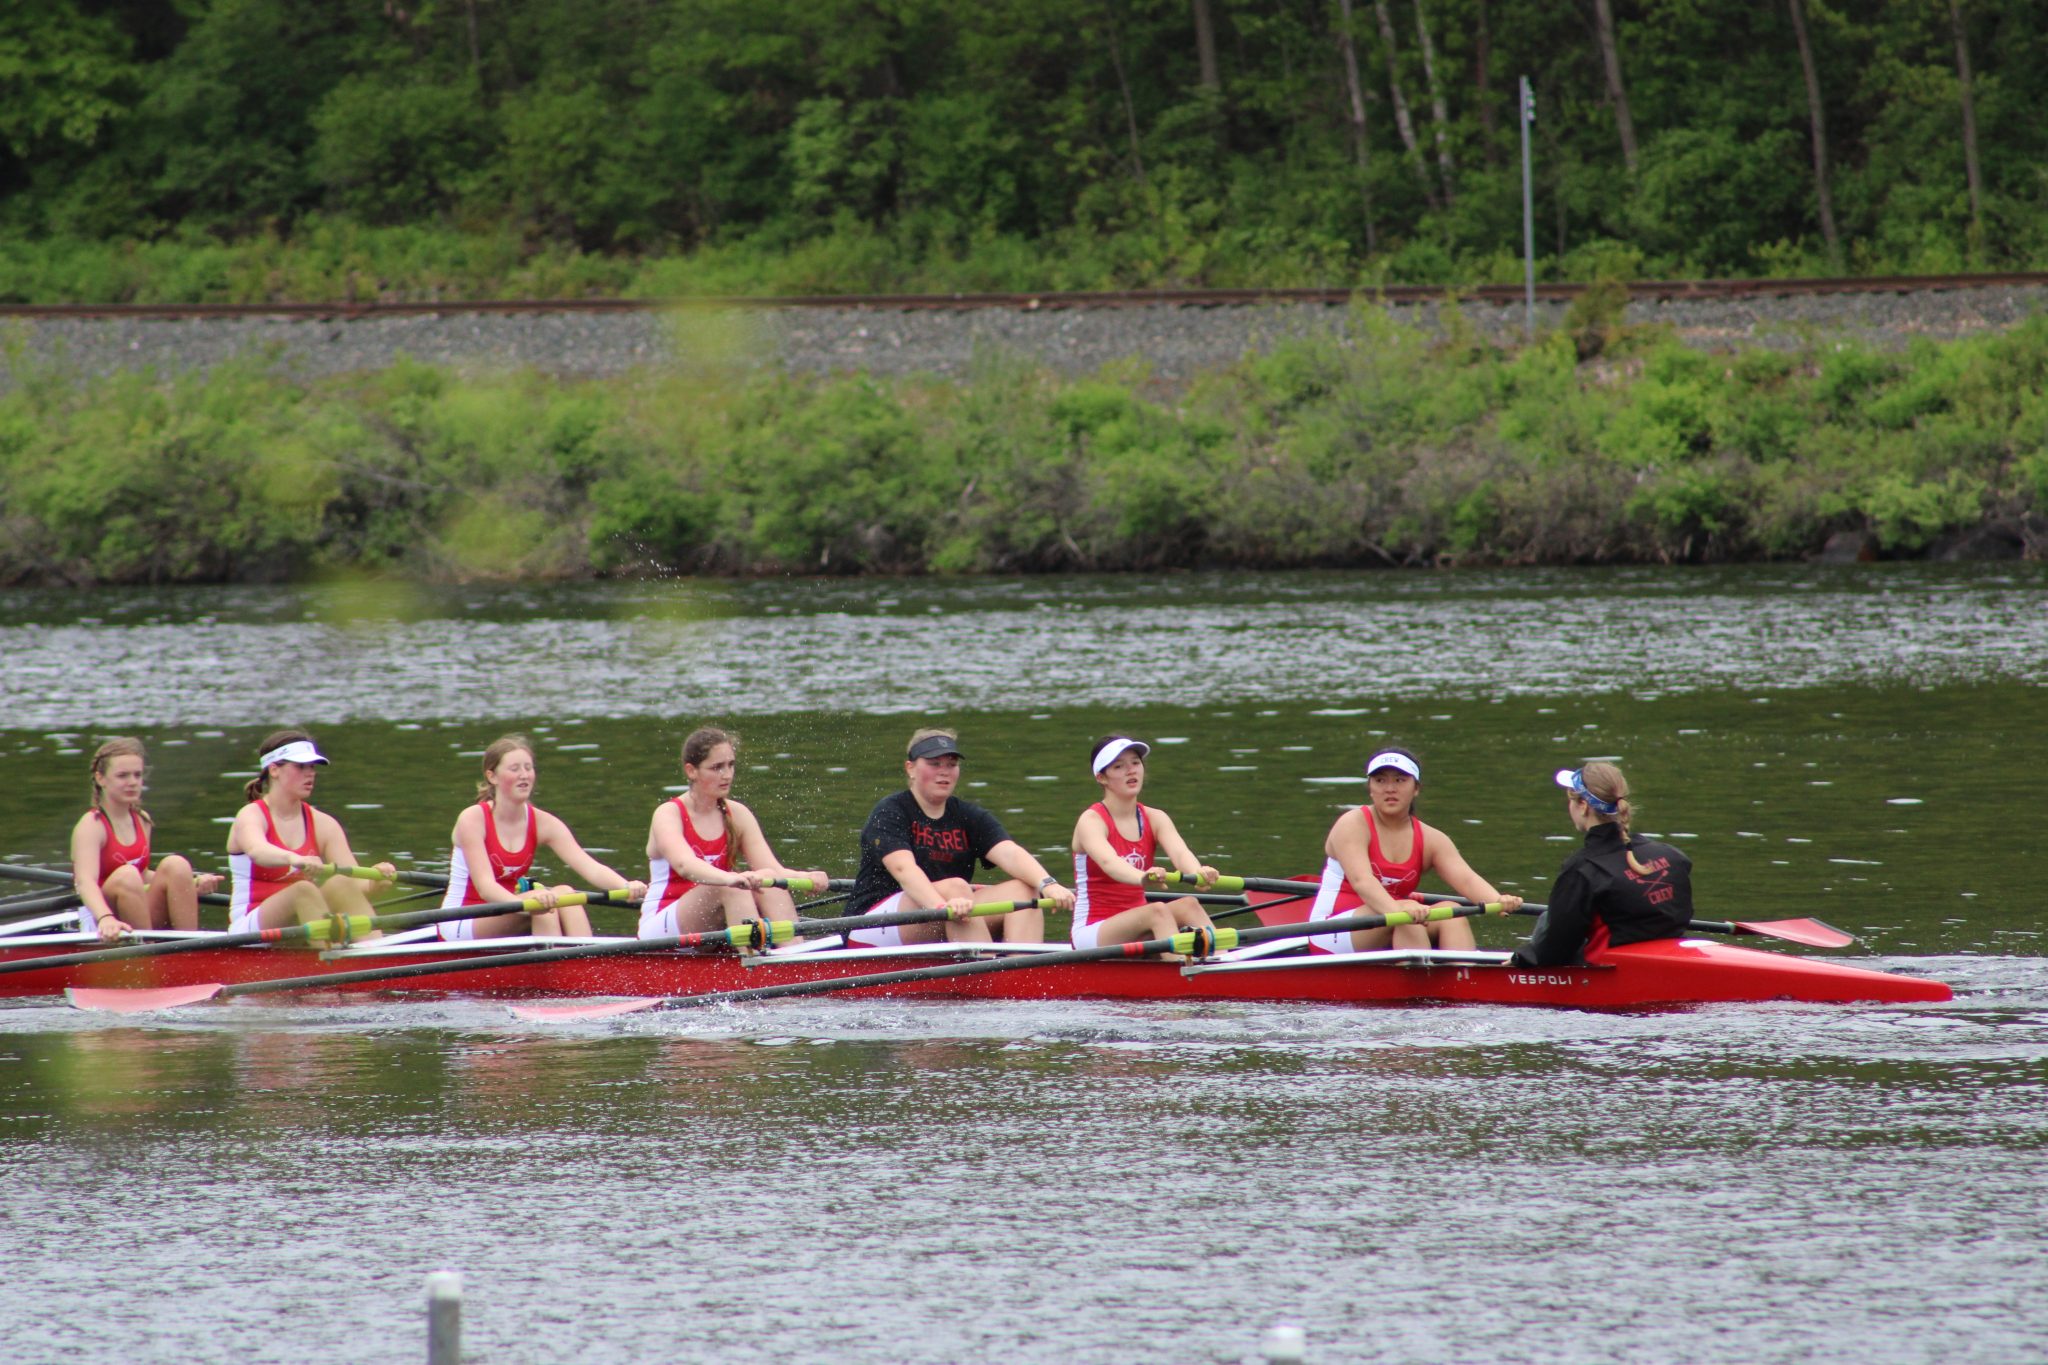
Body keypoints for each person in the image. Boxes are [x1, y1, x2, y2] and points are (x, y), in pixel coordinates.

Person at [844, 728, 1075, 947]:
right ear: (910, 768)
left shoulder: (967, 815)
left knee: (1024, 890)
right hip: (871, 924)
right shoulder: (890, 811)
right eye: (934, 764)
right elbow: (904, 871)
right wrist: (941, 906)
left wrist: (1049, 884)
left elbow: (1010, 853)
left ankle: (1022, 975)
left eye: (951, 764)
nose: (944, 771)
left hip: (951, 907)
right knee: (956, 887)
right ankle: (987, 977)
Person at [1306, 747, 1522, 954]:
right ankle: (1422, 987)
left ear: (1416, 788)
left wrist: (1499, 901)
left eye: (1400, 780)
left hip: (1395, 919)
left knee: (1452, 913)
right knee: (1407, 912)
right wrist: (1401, 910)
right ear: (1370, 789)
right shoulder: (1352, 824)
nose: (1390, 789)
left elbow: (1466, 880)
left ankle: (1464, 980)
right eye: (1380, 780)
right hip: (1331, 930)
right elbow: (1363, 881)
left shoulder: (1432, 839)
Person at [442, 735, 647, 940]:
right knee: (541, 905)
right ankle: (555, 968)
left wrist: (626, 886)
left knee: (567, 894)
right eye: (514, 769)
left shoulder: (543, 822)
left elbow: (590, 867)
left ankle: (586, 964)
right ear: (492, 776)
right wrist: (528, 903)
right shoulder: (472, 819)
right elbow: (486, 888)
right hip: (461, 919)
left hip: (508, 910)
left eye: (528, 768)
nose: (524, 775)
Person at [641, 727, 829, 941]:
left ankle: (792, 955)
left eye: (731, 765)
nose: (727, 775)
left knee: (768, 878)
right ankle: (752, 960)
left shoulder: (737, 813)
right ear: (691, 771)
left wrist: (805, 876)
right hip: (662, 927)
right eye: (717, 767)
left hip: (713, 920)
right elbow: (685, 865)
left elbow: (773, 868)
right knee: (730, 887)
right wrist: (731, 879)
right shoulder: (668, 814)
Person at [1511, 762, 1692, 965]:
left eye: (1570, 800)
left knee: (1547, 919)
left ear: (1583, 805)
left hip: (1610, 971)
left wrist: (1522, 958)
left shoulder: (1582, 870)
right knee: (1550, 916)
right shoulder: (1672, 856)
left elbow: (1553, 953)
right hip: (1669, 959)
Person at [224, 730, 395, 933]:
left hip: (301, 922)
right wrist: (294, 858)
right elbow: (257, 850)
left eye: (312, 767)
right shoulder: (251, 815)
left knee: (341, 883)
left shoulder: (324, 823)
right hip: (251, 928)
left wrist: (375, 883)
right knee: (303, 890)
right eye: (300, 766)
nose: (310, 773)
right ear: (274, 770)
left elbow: (356, 884)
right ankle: (326, 957)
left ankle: (372, 953)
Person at [1068, 735, 1218, 949]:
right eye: (1119, 766)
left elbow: (1180, 854)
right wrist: (1143, 878)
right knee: (1157, 911)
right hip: (1093, 930)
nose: (1131, 771)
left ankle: (1223, 964)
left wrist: (1199, 874)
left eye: (1136, 763)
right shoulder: (1091, 821)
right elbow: (1110, 863)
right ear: (1101, 778)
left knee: (1189, 905)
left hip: (1137, 921)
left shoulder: (1156, 818)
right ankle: (1181, 975)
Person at [69, 738, 220, 942]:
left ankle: (189, 948)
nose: (132, 782)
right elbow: (84, 882)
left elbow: (143, 874)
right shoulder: (91, 826)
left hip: (134, 906)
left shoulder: (142, 820)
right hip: (102, 919)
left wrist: (189, 882)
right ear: (100, 779)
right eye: (122, 775)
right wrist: (105, 917)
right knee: (127, 876)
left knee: (176, 864)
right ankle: (147, 954)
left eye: (137, 775)